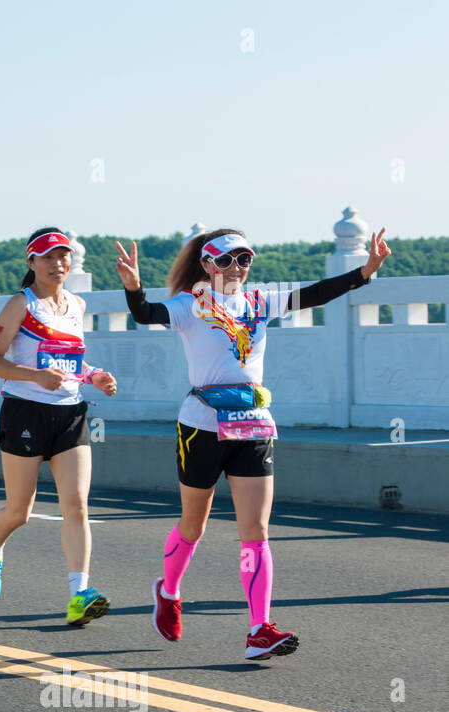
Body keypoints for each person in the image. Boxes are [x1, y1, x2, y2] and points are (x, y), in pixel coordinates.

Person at [115, 226, 392, 661]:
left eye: (244, 259)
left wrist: (365, 272)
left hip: (252, 425)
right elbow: (147, 314)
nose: (236, 268)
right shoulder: (190, 306)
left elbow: (316, 294)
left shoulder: (260, 302)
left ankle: (259, 628)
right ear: (206, 264)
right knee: (194, 526)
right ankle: (168, 591)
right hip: (201, 426)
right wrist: (133, 290)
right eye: (225, 260)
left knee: (256, 532)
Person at [0, 228, 119, 626]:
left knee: (76, 505)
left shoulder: (76, 304)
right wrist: (35, 376)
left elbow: (73, 364)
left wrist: (95, 377)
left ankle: (78, 594)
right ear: (31, 263)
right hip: (25, 412)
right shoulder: (20, 305)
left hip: (71, 413)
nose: (58, 264)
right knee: (20, 511)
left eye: (63, 257)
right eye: (48, 257)